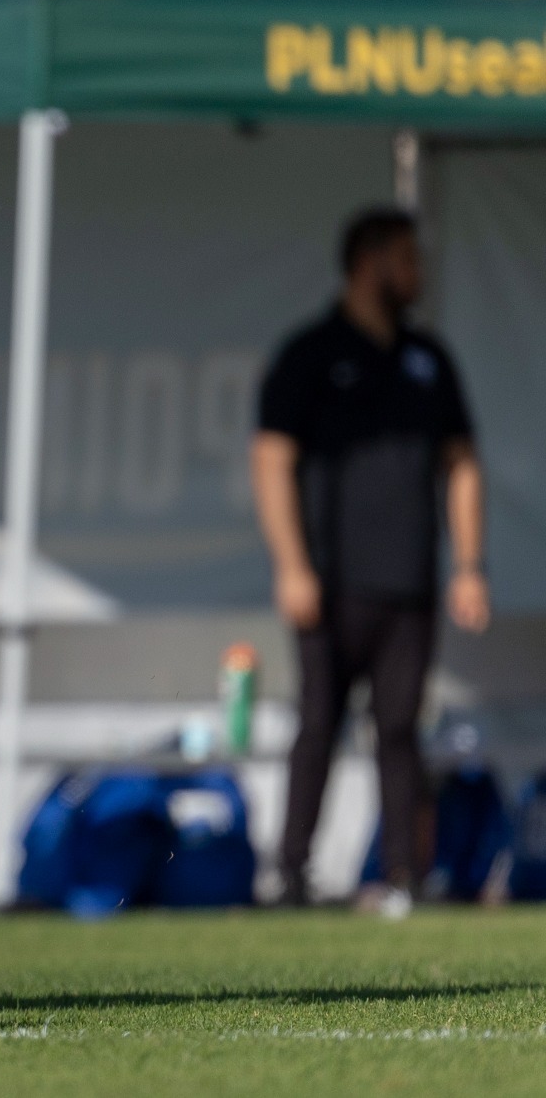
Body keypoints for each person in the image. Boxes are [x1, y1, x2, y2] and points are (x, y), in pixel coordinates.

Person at [253, 205, 488, 916]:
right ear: (369, 263)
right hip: (328, 581)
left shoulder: (429, 359)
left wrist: (469, 565)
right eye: (407, 259)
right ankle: (290, 875)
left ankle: (403, 878)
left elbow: (463, 463)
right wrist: (292, 564)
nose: (417, 274)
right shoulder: (311, 354)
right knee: (318, 721)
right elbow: (271, 460)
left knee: (399, 730)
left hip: (409, 583)